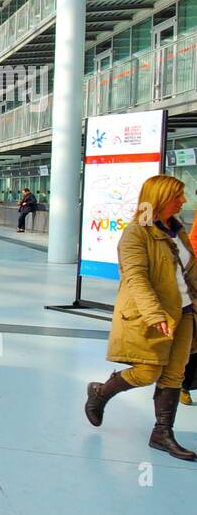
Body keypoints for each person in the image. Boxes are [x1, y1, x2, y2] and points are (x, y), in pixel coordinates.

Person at [84, 174, 197, 460]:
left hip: (183, 312)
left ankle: (162, 433)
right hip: (152, 313)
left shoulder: (177, 230)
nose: (183, 200)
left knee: (175, 373)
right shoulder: (137, 233)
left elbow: (190, 271)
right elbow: (136, 277)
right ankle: (100, 392)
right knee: (148, 372)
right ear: (159, 198)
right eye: (177, 196)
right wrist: (154, 313)